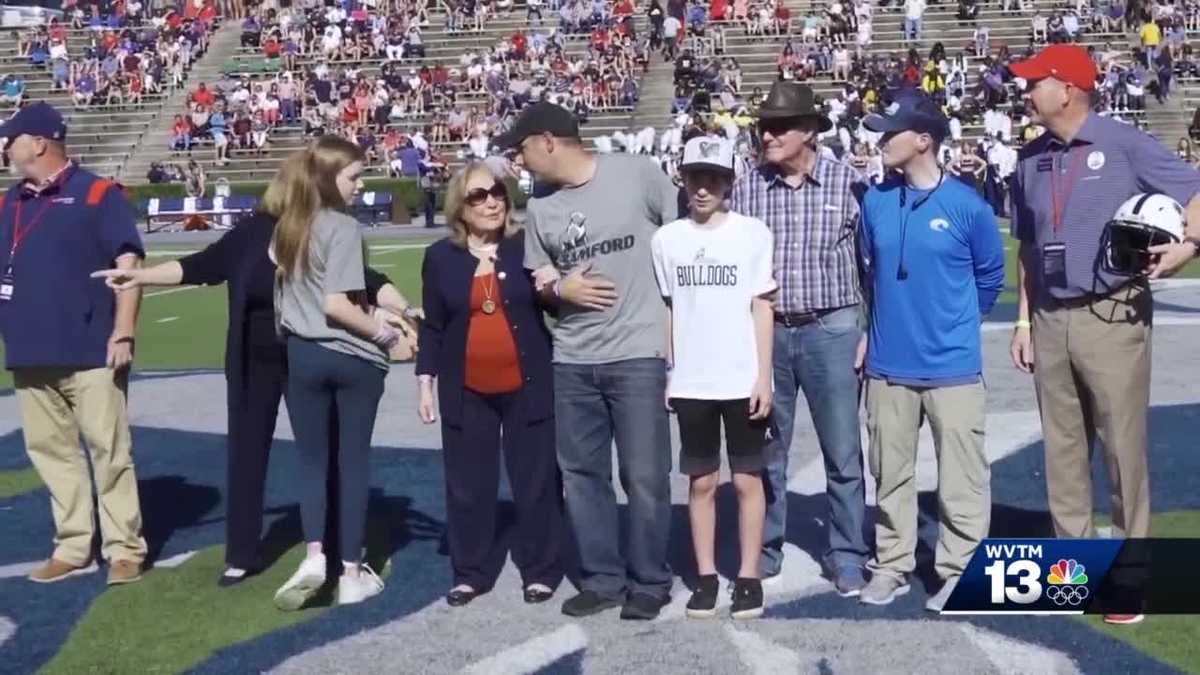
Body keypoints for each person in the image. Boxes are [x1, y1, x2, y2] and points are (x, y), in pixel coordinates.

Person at [91, 157, 418, 587]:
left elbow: (370, 278)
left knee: (322, 452)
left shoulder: (320, 231)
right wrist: (139, 277)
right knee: (246, 455)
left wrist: (405, 307)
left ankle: (337, 548)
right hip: (252, 360)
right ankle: (241, 554)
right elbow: (198, 266)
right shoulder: (251, 233)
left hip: (308, 356)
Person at [1008, 44, 1200, 625]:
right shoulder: (1028, 159)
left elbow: (1194, 188)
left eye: (1034, 81)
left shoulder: (1122, 143)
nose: (1025, 91)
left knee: (1122, 450)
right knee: (1063, 454)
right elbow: (1028, 247)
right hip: (1049, 318)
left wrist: (1187, 246)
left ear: (1066, 88)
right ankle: (1072, 573)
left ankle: (1131, 578)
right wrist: (1022, 320)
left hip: (1112, 314)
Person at [497, 101, 681, 620]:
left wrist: (675, 334)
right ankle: (603, 579)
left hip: (638, 352)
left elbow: (681, 241)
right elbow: (539, 277)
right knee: (581, 474)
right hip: (573, 358)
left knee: (644, 475)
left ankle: (649, 579)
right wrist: (560, 285)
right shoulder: (541, 206)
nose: (520, 158)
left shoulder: (636, 174)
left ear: (549, 141)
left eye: (524, 147)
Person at [855, 92, 1005, 611]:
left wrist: (955, 324)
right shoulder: (874, 202)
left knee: (962, 480)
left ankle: (960, 571)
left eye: (890, 132)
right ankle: (891, 564)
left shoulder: (967, 205)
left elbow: (990, 276)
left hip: (953, 367)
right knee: (889, 473)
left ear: (923, 140)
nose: (880, 142)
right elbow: (867, 274)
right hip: (888, 366)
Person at [730, 81, 869, 596]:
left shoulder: (848, 185)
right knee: (768, 448)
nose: (768, 134)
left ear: (810, 131)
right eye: (764, 126)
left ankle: (849, 551)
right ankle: (765, 548)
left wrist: (867, 330)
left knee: (842, 450)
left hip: (831, 326)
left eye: (780, 126)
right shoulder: (746, 190)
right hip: (767, 333)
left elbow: (870, 266)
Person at [0, 102, 147, 585]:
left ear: (39, 142)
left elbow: (129, 268)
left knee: (110, 452)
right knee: (52, 455)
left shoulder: (97, 193)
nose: (5, 146)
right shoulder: (7, 202)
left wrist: (124, 331)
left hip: (90, 350)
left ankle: (124, 548)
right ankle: (73, 545)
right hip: (28, 351)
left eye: (12, 138)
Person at [416, 162, 564, 607]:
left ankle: (539, 570)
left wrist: (555, 286)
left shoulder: (525, 247)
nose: (491, 202)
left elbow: (555, 305)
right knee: (467, 485)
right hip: (466, 390)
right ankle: (471, 573)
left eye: (497, 192)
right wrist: (426, 383)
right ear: (460, 207)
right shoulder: (440, 258)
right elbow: (434, 327)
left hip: (528, 382)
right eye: (478, 196)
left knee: (536, 480)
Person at [270, 135, 403, 610]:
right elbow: (338, 306)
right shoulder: (341, 227)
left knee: (311, 463)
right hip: (349, 358)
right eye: (353, 176)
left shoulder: (287, 225)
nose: (360, 184)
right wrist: (386, 334)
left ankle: (313, 556)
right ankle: (349, 571)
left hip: (301, 356)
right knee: (352, 464)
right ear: (329, 179)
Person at [651, 136, 775, 620]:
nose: (702, 188)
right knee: (701, 482)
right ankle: (704, 575)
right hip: (692, 382)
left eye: (712, 178)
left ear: (729, 183)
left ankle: (748, 574)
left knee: (747, 480)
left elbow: (762, 305)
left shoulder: (752, 233)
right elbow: (670, 308)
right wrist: (670, 369)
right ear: (682, 180)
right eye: (693, 177)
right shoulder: (667, 240)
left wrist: (762, 375)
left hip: (741, 377)